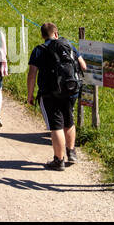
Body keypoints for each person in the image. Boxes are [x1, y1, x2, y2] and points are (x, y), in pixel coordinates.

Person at [27, 21, 88, 170]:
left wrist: (30, 94)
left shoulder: (39, 50)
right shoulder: (69, 46)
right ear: (56, 33)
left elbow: (32, 74)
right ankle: (71, 152)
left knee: (56, 126)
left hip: (49, 93)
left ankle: (59, 160)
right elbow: (83, 66)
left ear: (43, 36)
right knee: (69, 121)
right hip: (70, 90)